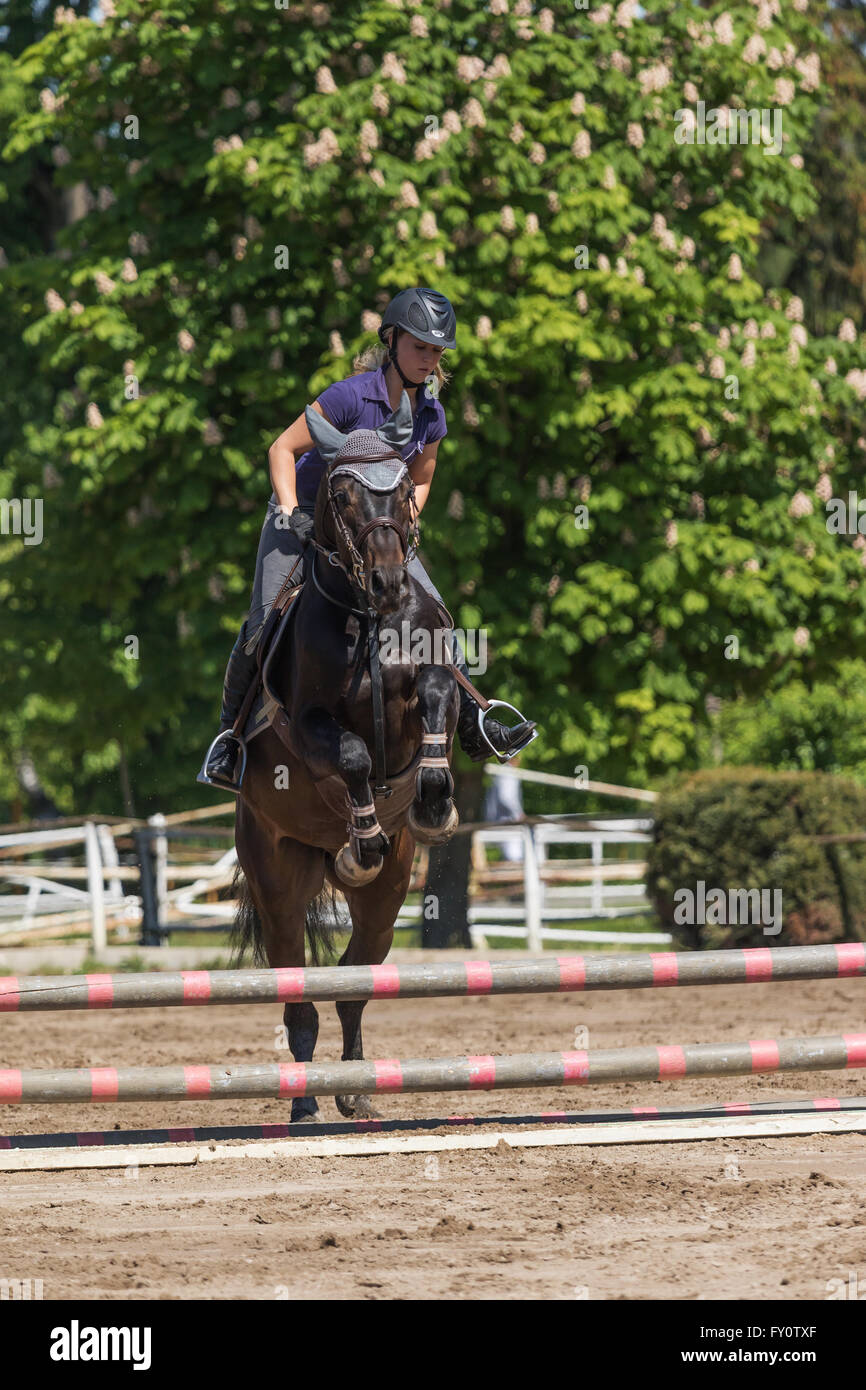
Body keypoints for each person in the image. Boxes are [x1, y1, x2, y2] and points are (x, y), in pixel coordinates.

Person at [199, 286, 537, 790]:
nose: (429, 359)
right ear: (392, 339)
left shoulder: (432, 414)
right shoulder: (350, 396)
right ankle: (230, 738)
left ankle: (474, 721)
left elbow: (420, 479)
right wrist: (291, 513)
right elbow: (281, 449)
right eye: (420, 346)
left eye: (436, 351)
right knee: (263, 622)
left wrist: (403, 527)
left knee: (438, 618)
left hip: (377, 529)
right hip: (304, 517)